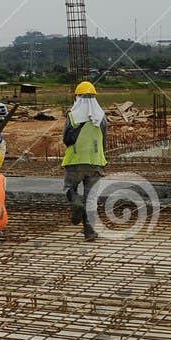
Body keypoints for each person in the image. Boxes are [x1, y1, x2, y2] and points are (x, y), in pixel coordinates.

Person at [62, 80, 108, 241]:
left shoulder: (72, 116)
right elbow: (104, 141)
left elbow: (65, 138)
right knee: (91, 198)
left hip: (74, 161)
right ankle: (89, 231)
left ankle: (76, 205)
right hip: (95, 162)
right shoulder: (101, 117)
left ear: (77, 97)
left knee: (69, 188)